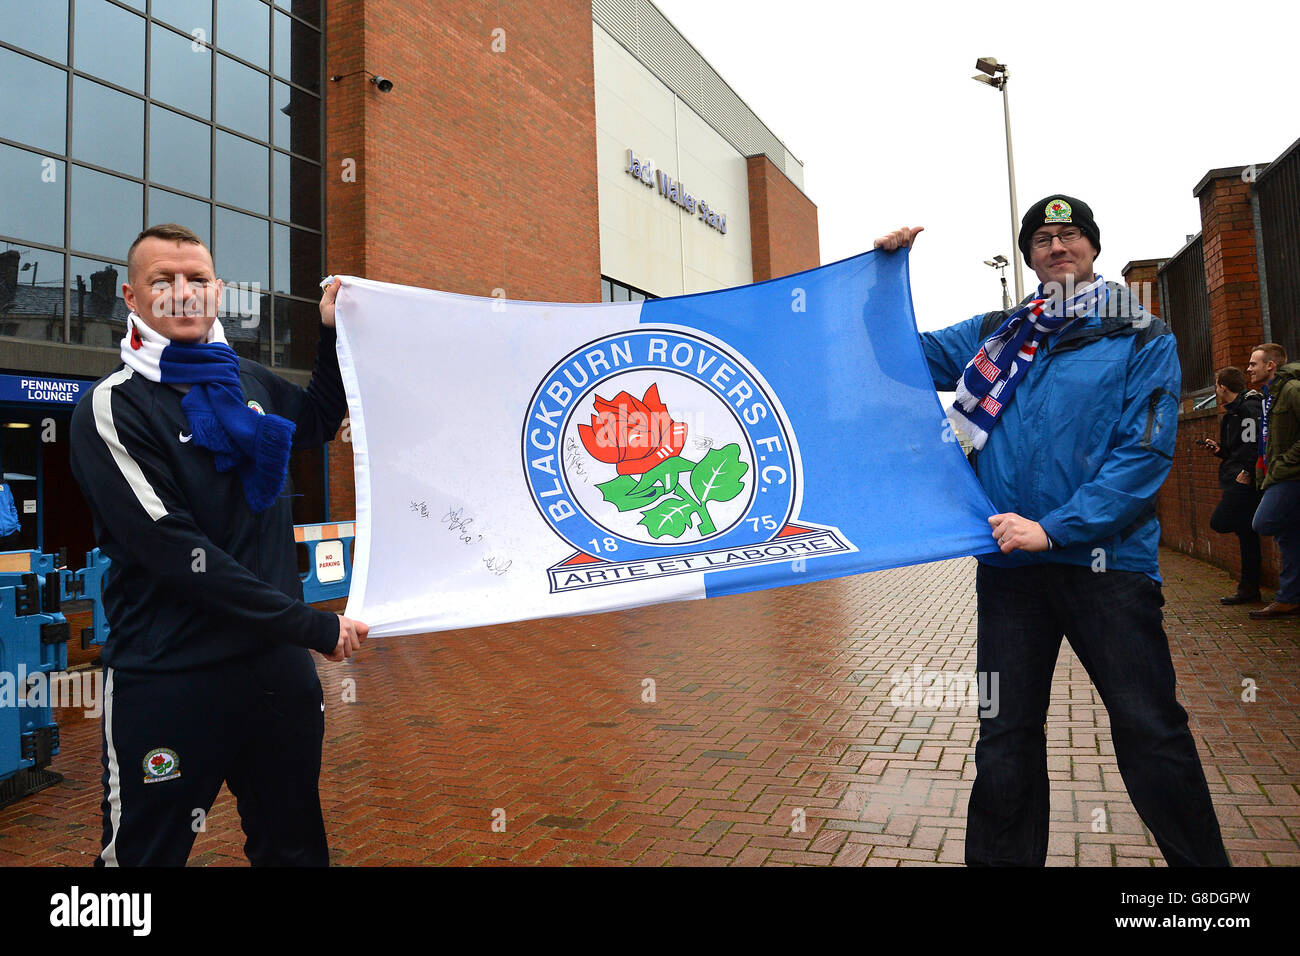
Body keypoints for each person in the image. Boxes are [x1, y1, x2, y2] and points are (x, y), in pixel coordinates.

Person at [875, 195, 1229, 867]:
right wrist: (884, 278)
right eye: (1041, 238)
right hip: (1010, 574)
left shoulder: (1141, 334)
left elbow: (1144, 454)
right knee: (1005, 738)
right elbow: (900, 360)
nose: (1056, 245)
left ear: (1092, 247)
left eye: (1069, 235)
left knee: (1150, 730)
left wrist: (1056, 528)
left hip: (1109, 569)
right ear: (1029, 255)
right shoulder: (1000, 330)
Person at [69, 223, 367, 866]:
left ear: (217, 292)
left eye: (196, 279)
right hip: (170, 676)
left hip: (275, 675)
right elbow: (178, 553)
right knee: (143, 859)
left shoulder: (248, 383)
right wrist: (309, 626)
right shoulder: (110, 409)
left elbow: (316, 416)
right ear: (130, 295)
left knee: (293, 849)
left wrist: (334, 330)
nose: (181, 293)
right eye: (162, 280)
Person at [1245, 342, 1300, 620]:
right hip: (1275, 474)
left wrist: (1284, 463)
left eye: (1254, 363)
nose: (1249, 368)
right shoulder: (1269, 395)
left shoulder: (1291, 390)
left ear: (1271, 366)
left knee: (1264, 522)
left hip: (1290, 475)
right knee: (1289, 536)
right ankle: (1289, 597)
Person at [1201, 366, 1263, 604]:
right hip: (1237, 475)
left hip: (1242, 482)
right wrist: (1219, 450)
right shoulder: (1233, 413)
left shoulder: (1246, 411)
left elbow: (1252, 446)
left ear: (1223, 388)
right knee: (1247, 535)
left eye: (1216, 385)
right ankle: (1249, 588)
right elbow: (1236, 449)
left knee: (1220, 521)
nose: (1216, 390)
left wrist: (1246, 473)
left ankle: (1249, 587)